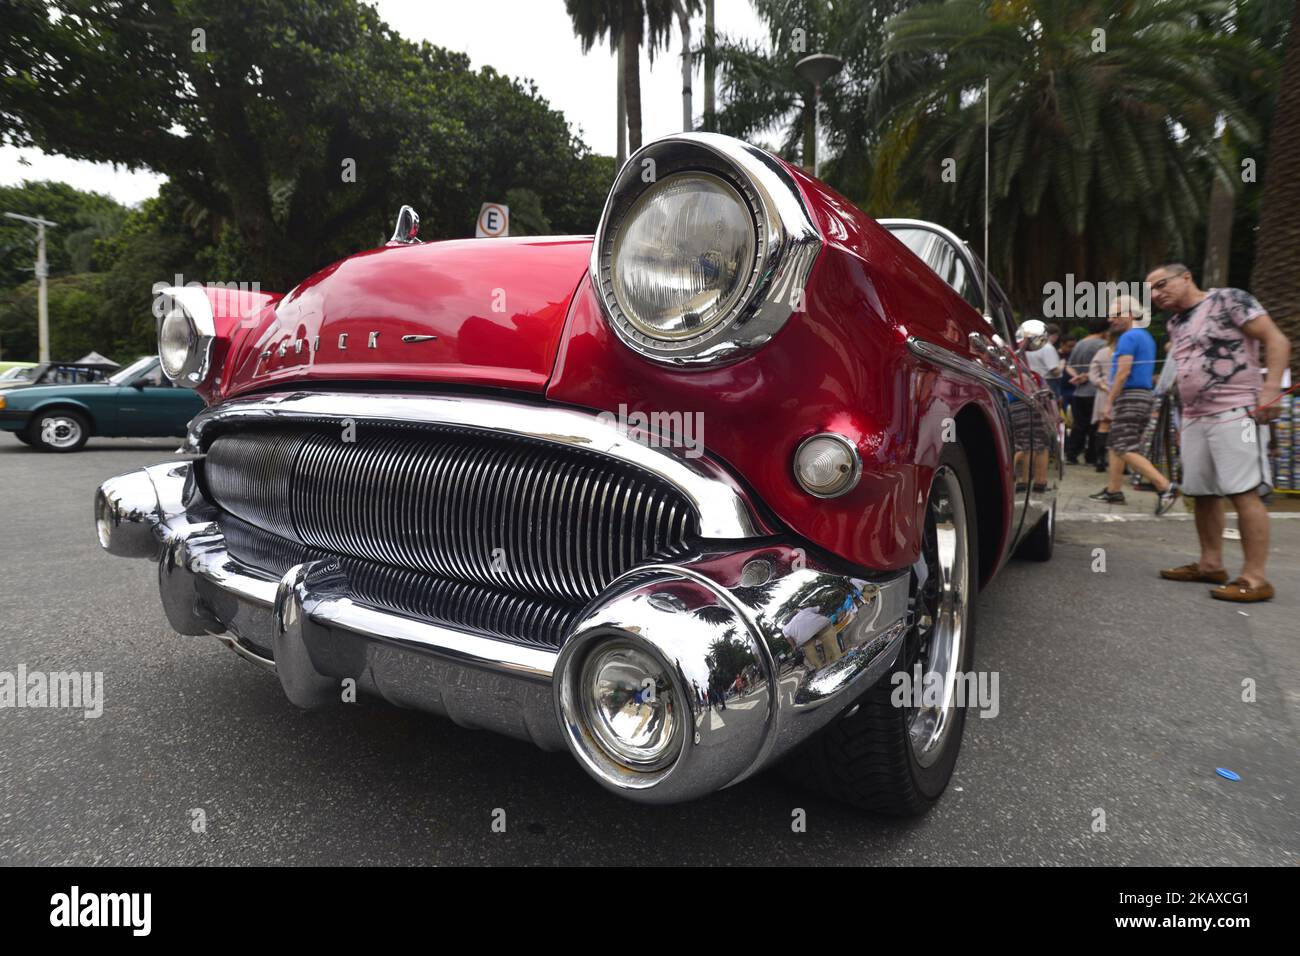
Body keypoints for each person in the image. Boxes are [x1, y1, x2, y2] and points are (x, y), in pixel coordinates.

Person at [1147, 263, 1292, 603]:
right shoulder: (1175, 322)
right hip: (1195, 417)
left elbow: (1277, 339)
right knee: (1202, 493)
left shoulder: (1228, 299)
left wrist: (1271, 389)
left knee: (1244, 492)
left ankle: (1255, 578)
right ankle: (1210, 564)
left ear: (1187, 277)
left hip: (1236, 411)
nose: (1156, 295)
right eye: (1151, 292)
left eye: (1162, 285)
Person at [1089, 296, 1181, 513]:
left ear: (1130, 314)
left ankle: (1165, 486)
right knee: (1116, 443)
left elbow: (1123, 372)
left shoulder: (1129, 337)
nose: (1111, 319)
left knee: (1123, 446)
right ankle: (1114, 490)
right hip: (1141, 396)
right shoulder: (1145, 336)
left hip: (1130, 396)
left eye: (1116, 314)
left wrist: (1109, 402)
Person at [1065, 317, 1109, 464]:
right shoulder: (1104, 345)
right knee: (1095, 426)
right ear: (1105, 330)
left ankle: (1071, 454)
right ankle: (1092, 456)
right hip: (1096, 391)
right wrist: (1088, 376)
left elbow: (1068, 366)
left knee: (1079, 425)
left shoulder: (1079, 344)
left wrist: (1078, 376)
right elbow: (1102, 368)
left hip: (1079, 392)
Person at [1088, 328, 1117, 472]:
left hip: (1105, 390)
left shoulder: (1102, 352)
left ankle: (1100, 460)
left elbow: (1092, 374)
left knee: (1104, 425)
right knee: (1115, 426)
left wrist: (1101, 384)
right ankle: (1116, 462)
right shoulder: (1126, 351)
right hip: (1118, 390)